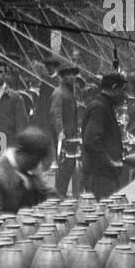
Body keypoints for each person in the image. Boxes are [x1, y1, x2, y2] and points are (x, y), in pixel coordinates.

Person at [0, 127, 57, 221]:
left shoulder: (25, 171)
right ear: (30, 158)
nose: (39, 165)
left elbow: (54, 200)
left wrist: (39, 180)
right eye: (38, 161)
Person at [81, 72, 128, 200]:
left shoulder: (103, 106)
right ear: (113, 88)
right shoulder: (99, 108)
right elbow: (91, 141)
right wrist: (110, 162)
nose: (124, 95)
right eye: (122, 90)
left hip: (102, 175)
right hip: (99, 176)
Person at [49, 61, 82, 196]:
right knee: (63, 172)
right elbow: (55, 114)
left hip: (72, 138)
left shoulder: (70, 92)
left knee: (70, 169)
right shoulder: (59, 93)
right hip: (64, 140)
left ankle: (63, 196)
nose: (71, 78)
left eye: (73, 75)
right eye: (68, 75)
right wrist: (60, 132)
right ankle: (58, 198)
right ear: (62, 77)